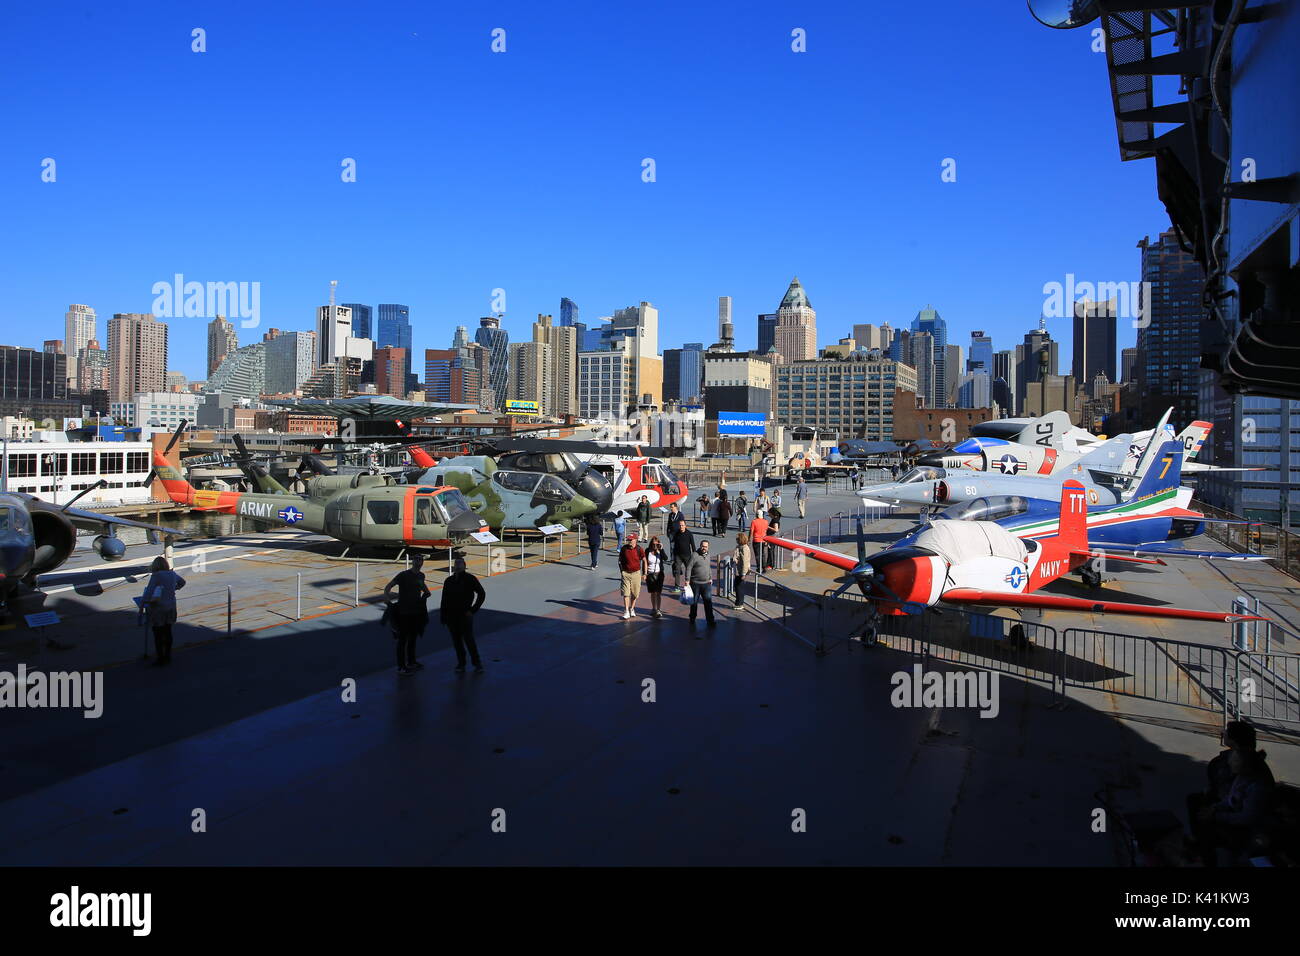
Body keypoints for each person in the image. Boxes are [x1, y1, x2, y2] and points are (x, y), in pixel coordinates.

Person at [1194, 746, 1276, 865]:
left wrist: (1216, 816)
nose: (1230, 762)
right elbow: (1231, 799)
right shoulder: (1241, 776)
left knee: (1207, 829)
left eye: (1234, 760)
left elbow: (1247, 818)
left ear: (1244, 766)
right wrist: (1214, 808)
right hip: (1240, 817)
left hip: (1252, 830)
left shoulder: (1257, 788)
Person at [384, 552, 431, 675]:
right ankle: (401, 666)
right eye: (416, 559)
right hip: (404, 612)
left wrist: (426, 593)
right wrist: (387, 600)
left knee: (413, 639)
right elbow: (388, 586)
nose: (417, 561)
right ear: (412, 562)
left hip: (415, 612)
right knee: (403, 640)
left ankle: (411, 661)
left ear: (422, 563)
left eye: (420, 559)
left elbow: (422, 586)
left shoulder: (421, 576)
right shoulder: (403, 575)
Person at [441, 556, 487, 673]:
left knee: (469, 640)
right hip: (451, 616)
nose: (458, 565)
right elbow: (444, 599)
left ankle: (477, 663)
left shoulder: (471, 579)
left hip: (465, 615)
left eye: (460, 563)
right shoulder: (448, 581)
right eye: (456, 563)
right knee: (457, 642)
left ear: (465, 566)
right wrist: (443, 616)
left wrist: (473, 610)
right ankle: (461, 663)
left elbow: (481, 594)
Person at [141, 556, 186, 666]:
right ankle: (168, 656)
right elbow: (182, 582)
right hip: (171, 607)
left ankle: (161, 658)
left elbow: (149, 592)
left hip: (159, 609)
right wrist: (173, 589)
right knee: (168, 632)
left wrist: (144, 602)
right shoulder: (172, 574)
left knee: (158, 634)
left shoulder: (156, 576)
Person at [685, 539, 716, 629]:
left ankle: (710, 620)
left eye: (705, 547)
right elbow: (689, 568)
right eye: (702, 546)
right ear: (700, 546)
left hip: (706, 584)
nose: (704, 548)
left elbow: (708, 567)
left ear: (708, 547)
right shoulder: (695, 555)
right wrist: (687, 580)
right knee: (694, 602)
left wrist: (710, 577)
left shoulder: (708, 554)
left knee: (708, 602)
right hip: (695, 583)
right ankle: (692, 618)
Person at [618, 532, 647, 619]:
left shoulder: (639, 549)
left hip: (636, 574)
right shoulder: (624, 549)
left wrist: (645, 573)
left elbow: (644, 560)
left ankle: (632, 608)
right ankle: (626, 611)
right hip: (626, 573)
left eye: (631, 539)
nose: (629, 541)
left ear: (635, 540)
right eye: (628, 539)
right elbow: (619, 560)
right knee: (626, 593)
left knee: (635, 594)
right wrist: (622, 571)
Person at [644, 535, 668, 618]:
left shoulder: (660, 551)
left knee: (658, 593)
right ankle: (653, 608)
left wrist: (661, 549)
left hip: (659, 574)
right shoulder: (647, 551)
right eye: (653, 544)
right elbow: (644, 562)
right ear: (651, 544)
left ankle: (658, 609)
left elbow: (665, 558)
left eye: (656, 544)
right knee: (652, 592)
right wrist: (644, 573)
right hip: (650, 574)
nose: (655, 546)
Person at [671, 517, 695, 591]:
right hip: (678, 556)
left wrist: (695, 555)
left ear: (685, 526)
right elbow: (674, 545)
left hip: (687, 556)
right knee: (677, 570)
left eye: (682, 525)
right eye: (680, 525)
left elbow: (693, 545)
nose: (681, 527)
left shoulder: (689, 534)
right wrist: (673, 555)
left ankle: (689, 585)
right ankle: (677, 586)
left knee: (688, 571)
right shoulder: (676, 533)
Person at [733, 531, 752, 609]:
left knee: (739, 587)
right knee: (737, 586)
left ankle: (740, 604)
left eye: (737, 539)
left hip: (741, 571)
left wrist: (744, 573)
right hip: (738, 570)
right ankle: (737, 602)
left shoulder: (744, 548)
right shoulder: (740, 547)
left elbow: (745, 561)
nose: (736, 540)